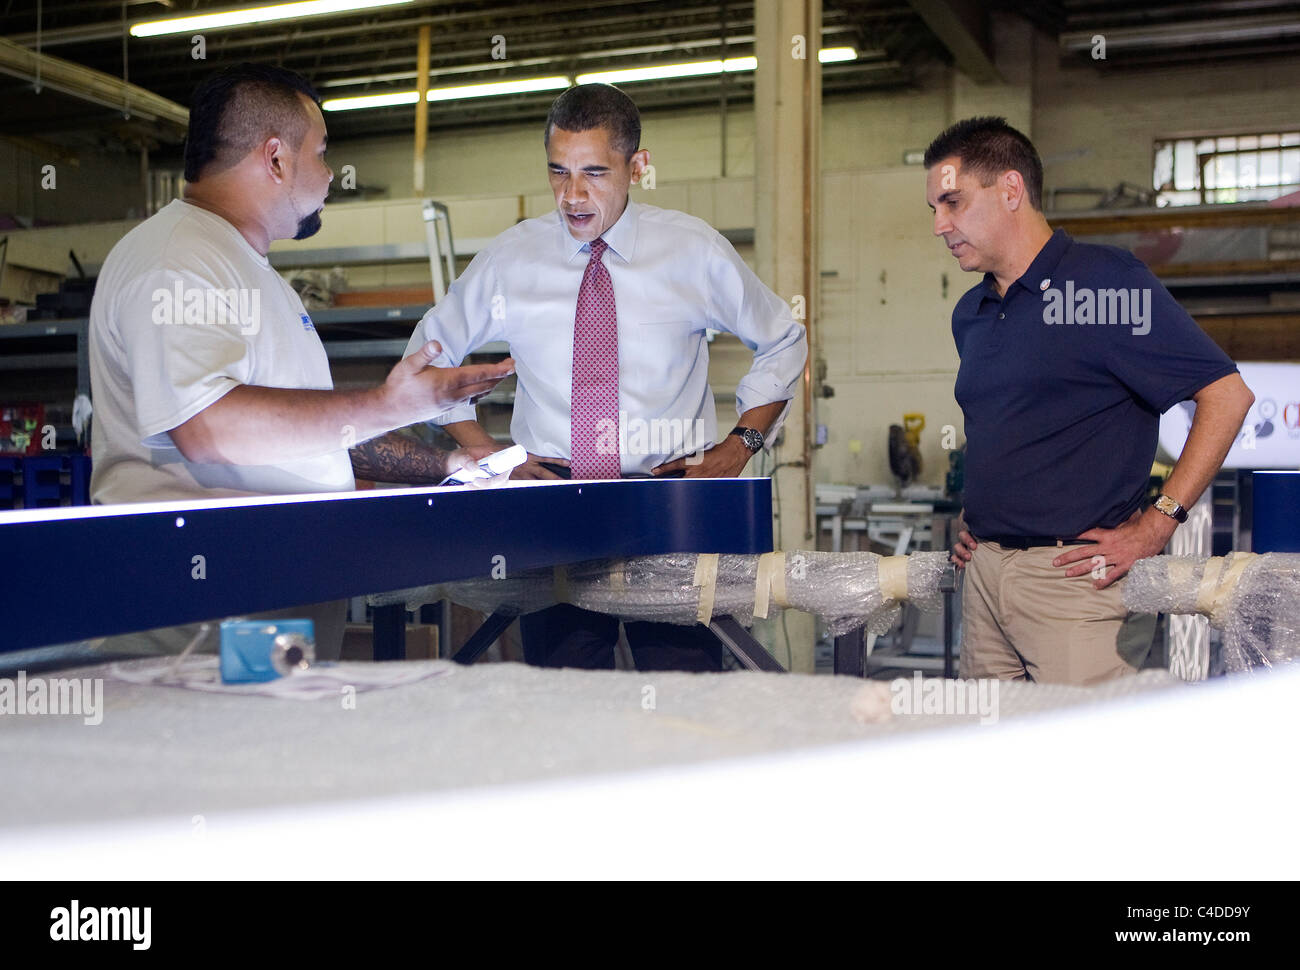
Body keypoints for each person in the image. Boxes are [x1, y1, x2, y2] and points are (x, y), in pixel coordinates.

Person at [86, 63, 514, 657]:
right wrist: (386, 402)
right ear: (276, 159)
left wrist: (446, 464)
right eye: (321, 152)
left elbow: (307, 430)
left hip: (262, 612)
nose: (331, 172)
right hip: (203, 628)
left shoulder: (246, 268)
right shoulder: (177, 260)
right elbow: (207, 428)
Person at [404, 83, 807, 671]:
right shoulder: (512, 260)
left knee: (682, 698)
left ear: (637, 167)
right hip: (551, 506)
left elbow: (782, 337)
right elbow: (428, 358)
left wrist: (741, 444)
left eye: (594, 172)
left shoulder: (690, 251)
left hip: (671, 503)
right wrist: (489, 457)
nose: (572, 195)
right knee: (566, 705)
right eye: (558, 172)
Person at [924, 116, 1254, 685]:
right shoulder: (971, 314)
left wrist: (1158, 525)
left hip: (1075, 585)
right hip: (981, 576)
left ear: (1010, 190)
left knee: (1085, 766)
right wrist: (975, 515)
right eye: (933, 208)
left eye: (951, 202)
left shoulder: (1104, 285)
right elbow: (1007, 427)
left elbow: (1226, 396)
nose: (939, 225)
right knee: (986, 765)